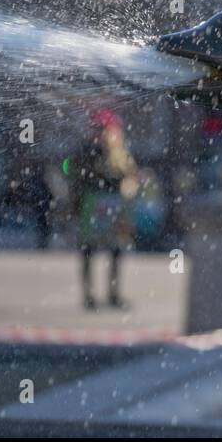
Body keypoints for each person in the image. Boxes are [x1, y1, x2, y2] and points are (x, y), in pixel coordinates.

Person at [73, 110, 138, 310]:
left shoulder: (119, 153)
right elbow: (79, 178)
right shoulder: (86, 152)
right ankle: (89, 295)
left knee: (116, 251)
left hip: (114, 207)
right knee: (89, 251)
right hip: (92, 206)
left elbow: (129, 176)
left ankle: (113, 294)